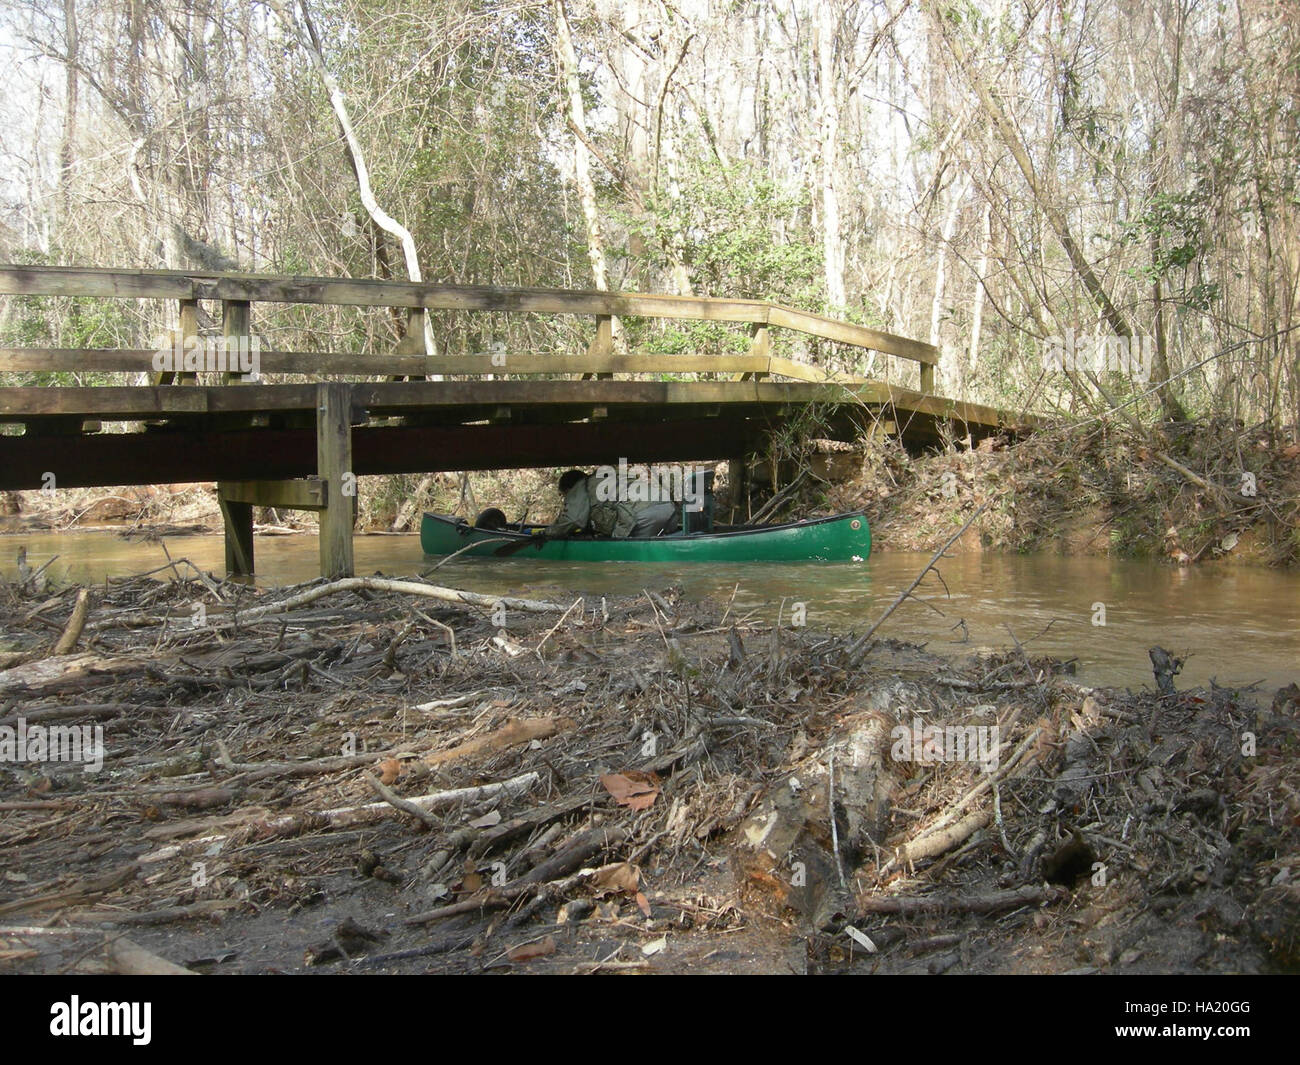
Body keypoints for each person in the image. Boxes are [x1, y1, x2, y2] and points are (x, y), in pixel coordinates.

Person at [544, 469, 679, 539]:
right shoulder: (605, 478)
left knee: (629, 561)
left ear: (569, 489)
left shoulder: (579, 487)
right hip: (668, 508)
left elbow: (572, 519)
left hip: (645, 516)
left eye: (564, 495)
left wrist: (546, 534)